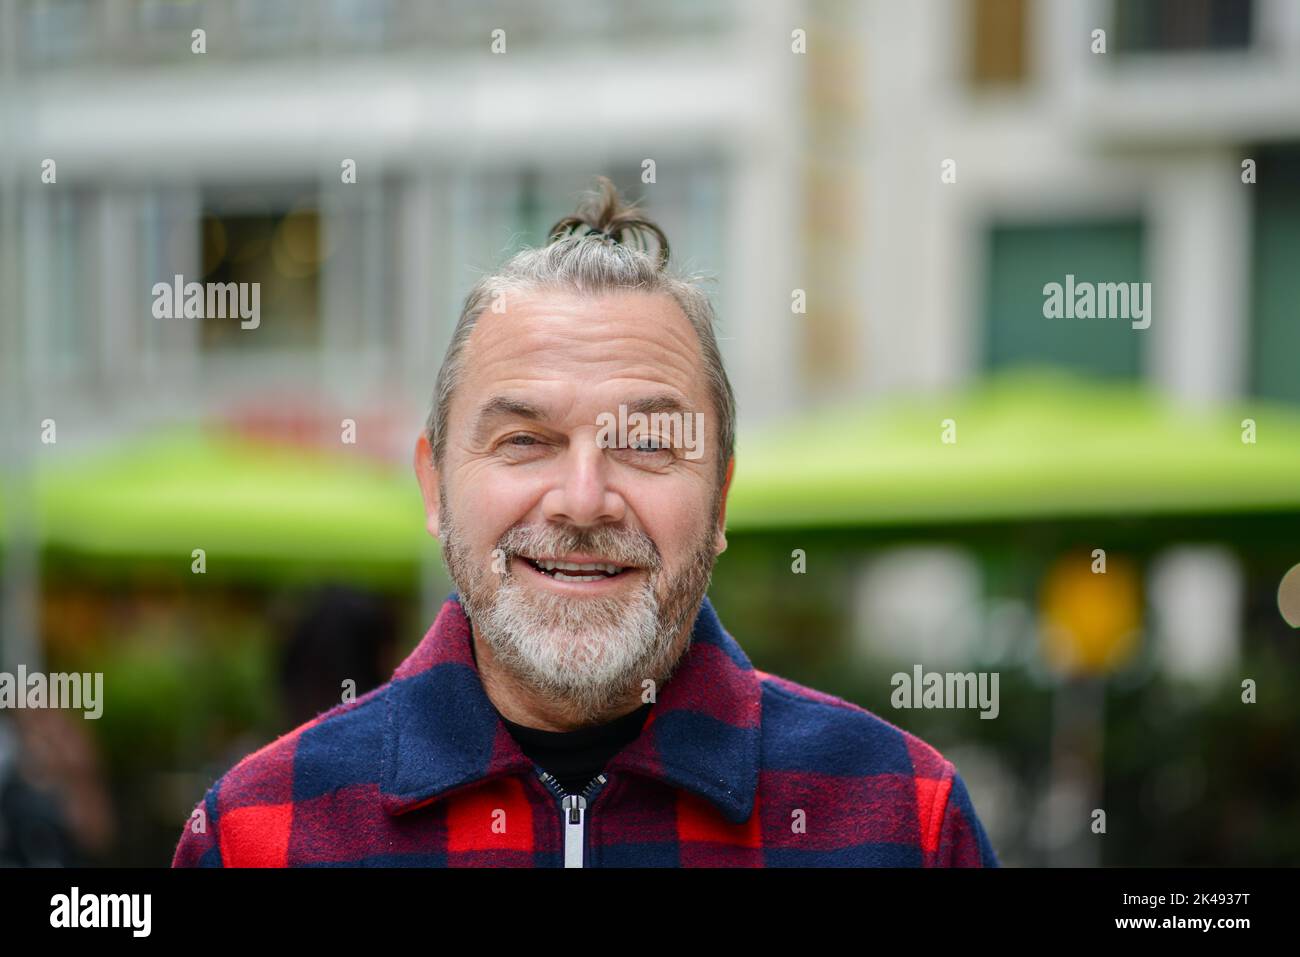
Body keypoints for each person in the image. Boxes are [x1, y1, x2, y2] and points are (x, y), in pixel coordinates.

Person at [172, 177, 998, 867]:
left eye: (647, 442)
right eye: (524, 439)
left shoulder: (900, 821)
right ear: (434, 486)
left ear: (720, 500)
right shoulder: (259, 833)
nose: (581, 498)